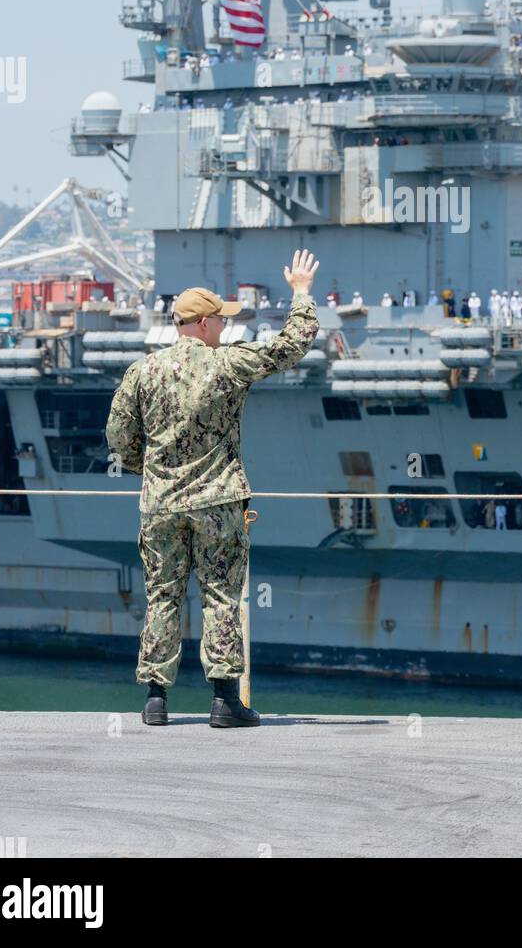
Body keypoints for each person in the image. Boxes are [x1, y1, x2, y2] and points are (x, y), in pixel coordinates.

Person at [106, 250, 320, 729]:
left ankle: (155, 701)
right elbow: (292, 345)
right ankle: (225, 702)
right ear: (201, 323)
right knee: (221, 596)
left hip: (159, 505)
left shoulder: (142, 372)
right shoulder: (228, 364)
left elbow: (118, 437)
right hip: (218, 502)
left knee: (162, 595)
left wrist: (153, 470)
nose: (223, 327)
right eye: (219, 320)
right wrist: (301, 293)